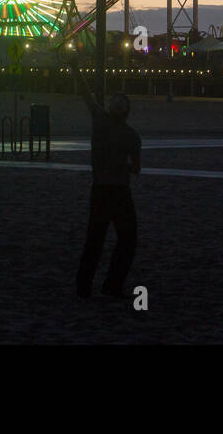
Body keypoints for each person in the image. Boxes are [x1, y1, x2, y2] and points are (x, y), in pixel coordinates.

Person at [70, 59, 141, 300]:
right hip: (120, 192)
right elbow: (137, 168)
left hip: (99, 190)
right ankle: (112, 284)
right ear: (127, 112)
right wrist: (123, 165)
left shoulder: (99, 121)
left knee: (94, 241)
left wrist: (75, 68)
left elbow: (85, 93)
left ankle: (83, 286)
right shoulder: (132, 136)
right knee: (128, 240)